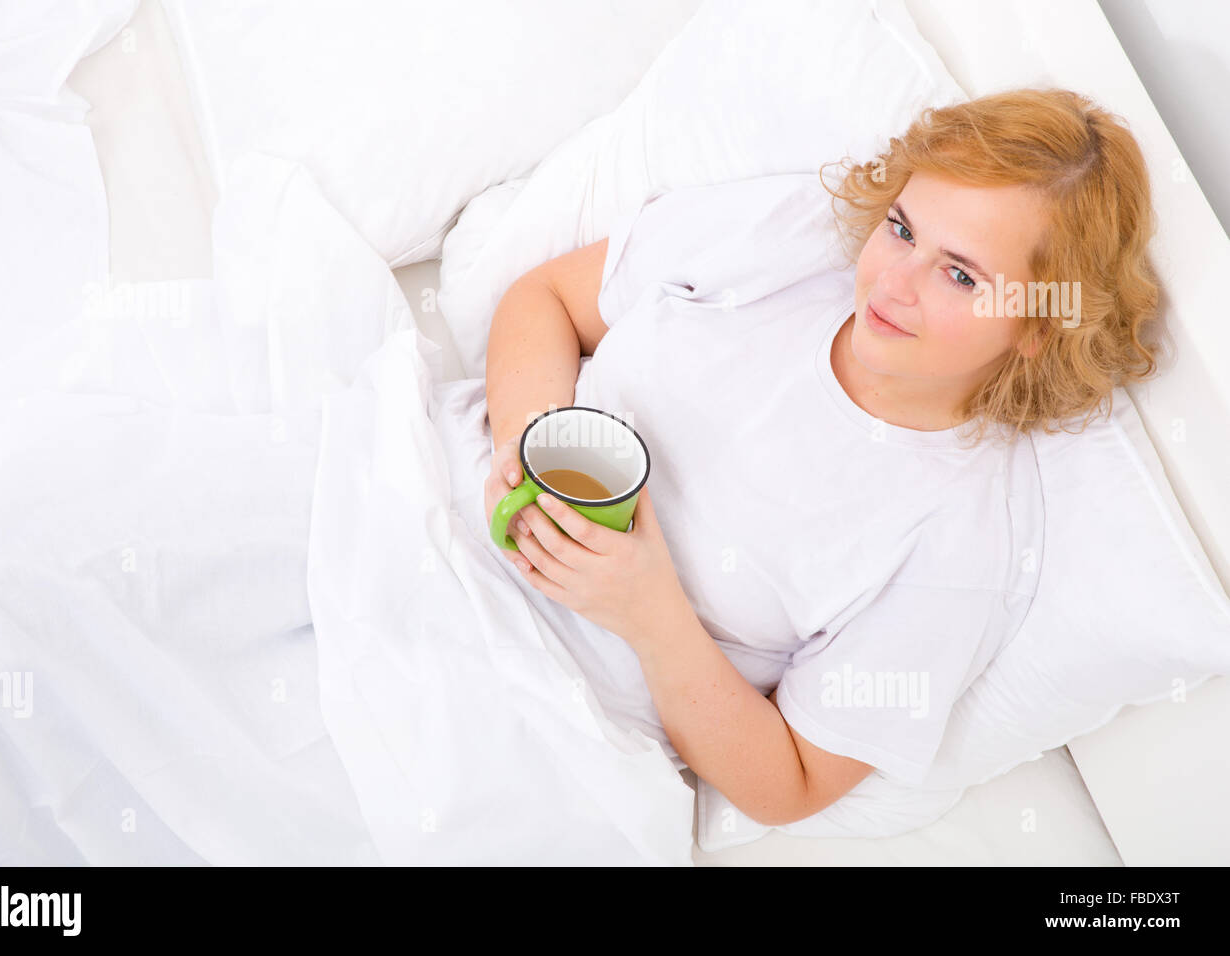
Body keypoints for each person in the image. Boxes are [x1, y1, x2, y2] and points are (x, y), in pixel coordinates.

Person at [479, 88, 1161, 827]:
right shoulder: (794, 238)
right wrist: (526, 448)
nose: (893, 283)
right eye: (902, 229)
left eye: (960, 275)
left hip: (538, 714)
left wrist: (650, 614)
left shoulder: (958, 542)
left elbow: (788, 785)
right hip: (423, 491)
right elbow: (544, 297)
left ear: (1037, 328)